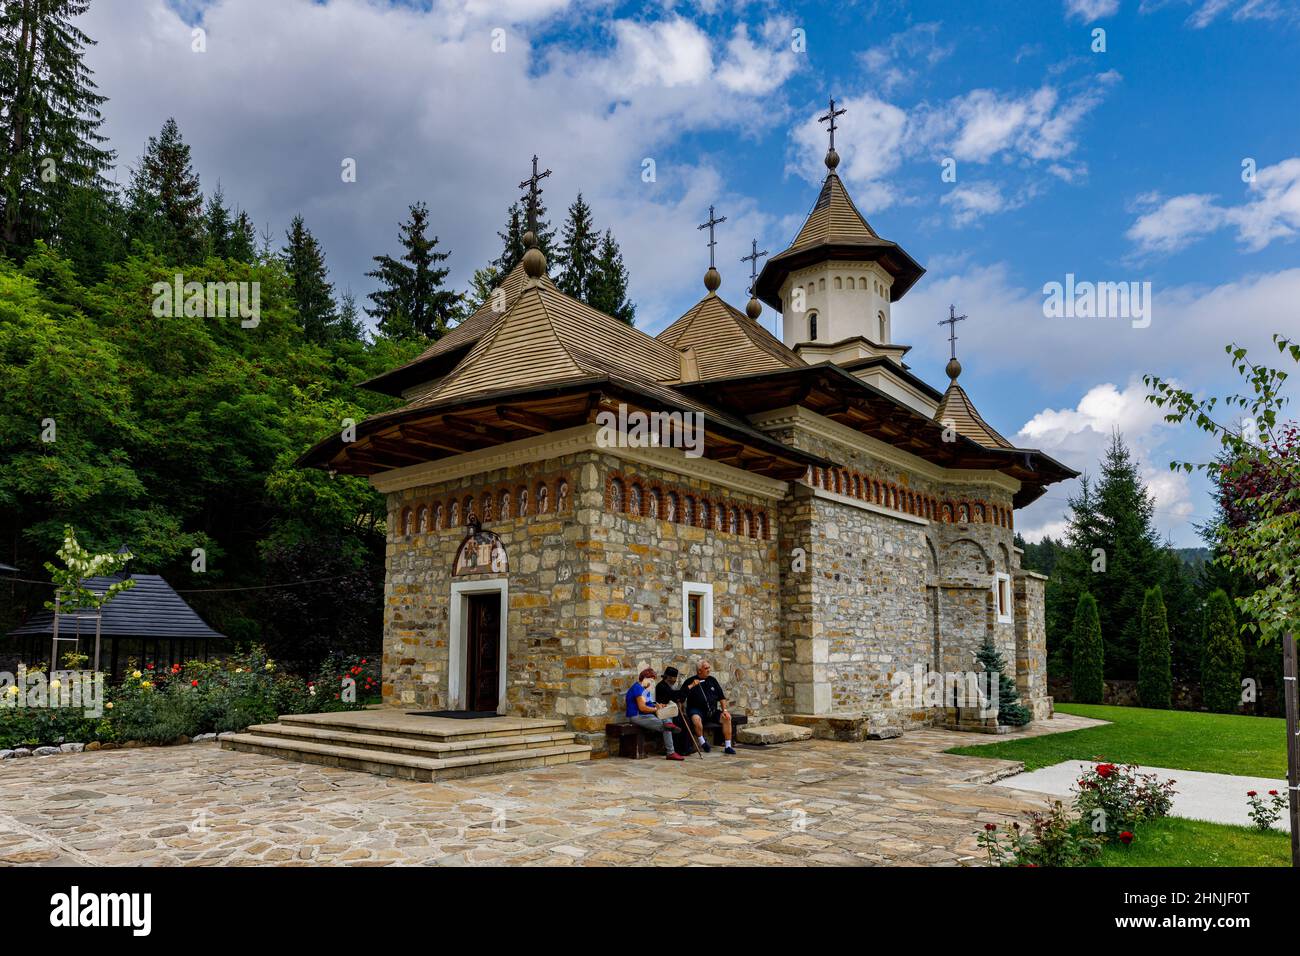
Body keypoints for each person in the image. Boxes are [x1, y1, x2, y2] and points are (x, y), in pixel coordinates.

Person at [625, 667, 684, 761]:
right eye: (651, 680)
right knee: (666, 726)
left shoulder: (644, 689)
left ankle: (669, 727)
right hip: (637, 716)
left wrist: (659, 705)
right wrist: (655, 709)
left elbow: (650, 703)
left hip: (646, 715)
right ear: (645, 678)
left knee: (667, 718)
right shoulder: (637, 688)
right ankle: (671, 752)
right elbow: (642, 708)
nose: (652, 682)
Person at [682, 659, 736, 754]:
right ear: (699, 670)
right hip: (697, 711)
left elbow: (721, 697)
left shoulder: (712, 680)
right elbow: (681, 696)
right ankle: (703, 742)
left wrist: (725, 710)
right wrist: (691, 686)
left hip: (712, 711)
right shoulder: (690, 681)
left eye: (709, 668)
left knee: (727, 718)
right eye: (706, 668)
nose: (709, 670)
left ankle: (728, 746)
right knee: (696, 719)